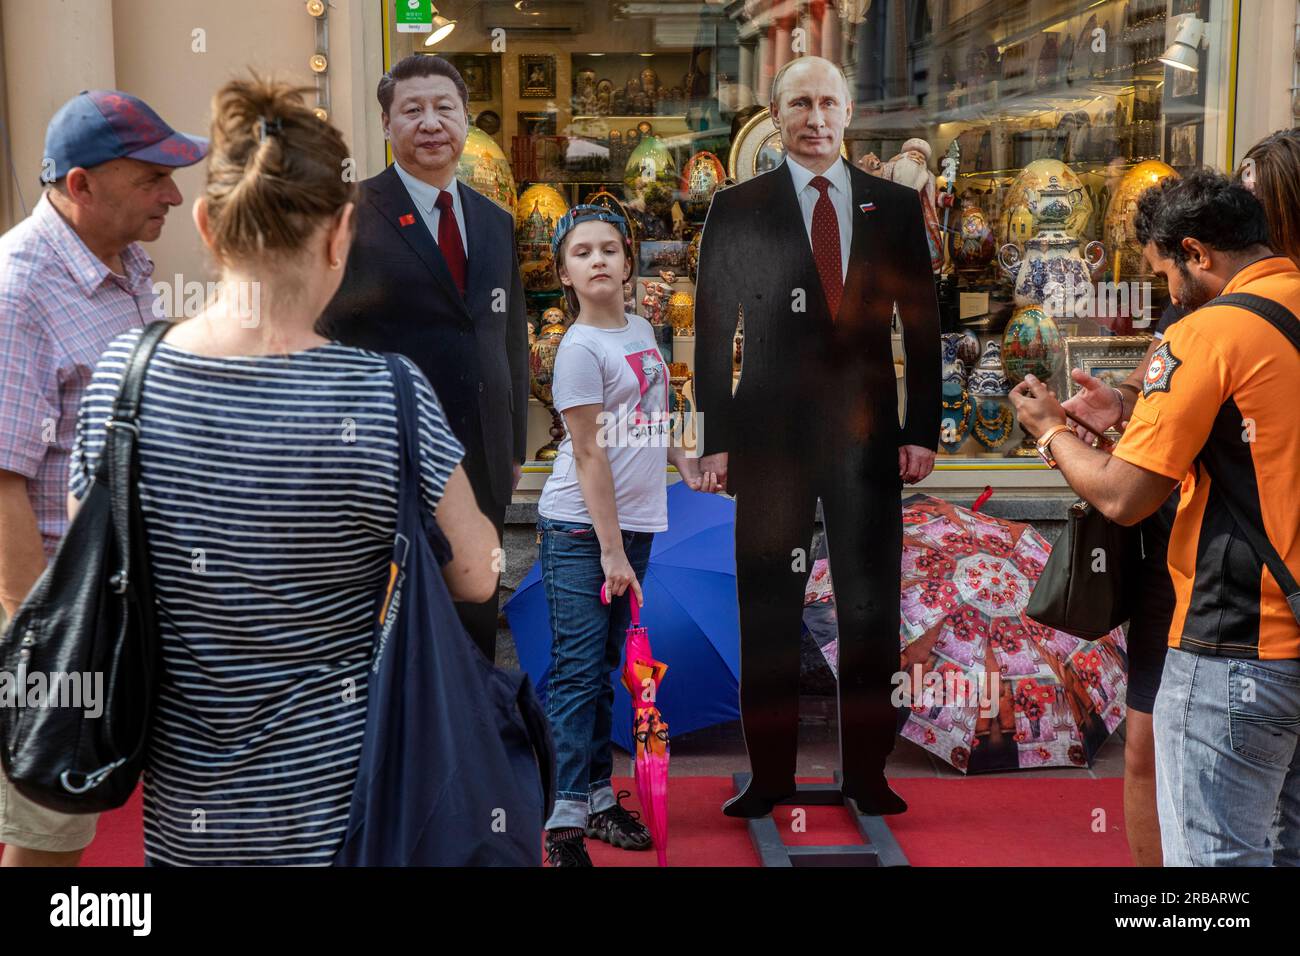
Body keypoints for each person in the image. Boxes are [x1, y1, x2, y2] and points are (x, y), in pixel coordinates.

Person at [68, 76, 498, 865]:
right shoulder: (387, 395)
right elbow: (475, 573)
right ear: (342, 235)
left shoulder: (126, 379)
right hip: (350, 811)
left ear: (205, 223)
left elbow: (94, 554)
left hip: (187, 817)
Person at [1011, 169, 1300, 866]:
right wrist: (1137, 412)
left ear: (1198, 253)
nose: (1168, 295)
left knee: (1214, 868)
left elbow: (1121, 494)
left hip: (1236, 639)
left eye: (1166, 272)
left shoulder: (1208, 331)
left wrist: (1053, 432)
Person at [693, 55, 940, 818]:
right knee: (768, 608)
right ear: (776, 114)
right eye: (799, 103)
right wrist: (714, 438)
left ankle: (866, 775)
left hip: (869, 440)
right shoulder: (737, 209)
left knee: (871, 607)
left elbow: (924, 328)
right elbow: (709, 333)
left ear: (848, 112)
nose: (815, 119)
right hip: (769, 440)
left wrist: (921, 428)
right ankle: (768, 778)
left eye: (828, 103)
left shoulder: (893, 209)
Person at [0, 90, 207, 868]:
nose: (174, 195)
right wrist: (44, 646)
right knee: (46, 836)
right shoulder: (19, 287)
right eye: (152, 176)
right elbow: (0, 485)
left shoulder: (123, 262)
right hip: (60, 616)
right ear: (80, 185)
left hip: (108, 608)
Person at [319, 54, 530, 663]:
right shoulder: (353, 216)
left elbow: (509, 335)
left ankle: (466, 749)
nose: (431, 122)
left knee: (474, 625)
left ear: (466, 120)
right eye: (413, 110)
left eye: (445, 108)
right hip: (391, 457)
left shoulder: (492, 221)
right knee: (395, 633)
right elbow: (329, 339)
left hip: (484, 459)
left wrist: (513, 445)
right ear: (387, 124)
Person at [537, 205, 718, 867]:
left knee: (608, 671)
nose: (599, 261)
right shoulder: (579, 349)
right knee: (578, 675)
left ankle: (597, 797)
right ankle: (564, 822)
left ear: (628, 260)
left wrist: (688, 464)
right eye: (582, 252)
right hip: (584, 531)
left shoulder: (640, 327)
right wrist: (611, 553)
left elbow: (653, 413)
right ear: (564, 272)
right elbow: (588, 454)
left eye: (609, 249)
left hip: (634, 524)